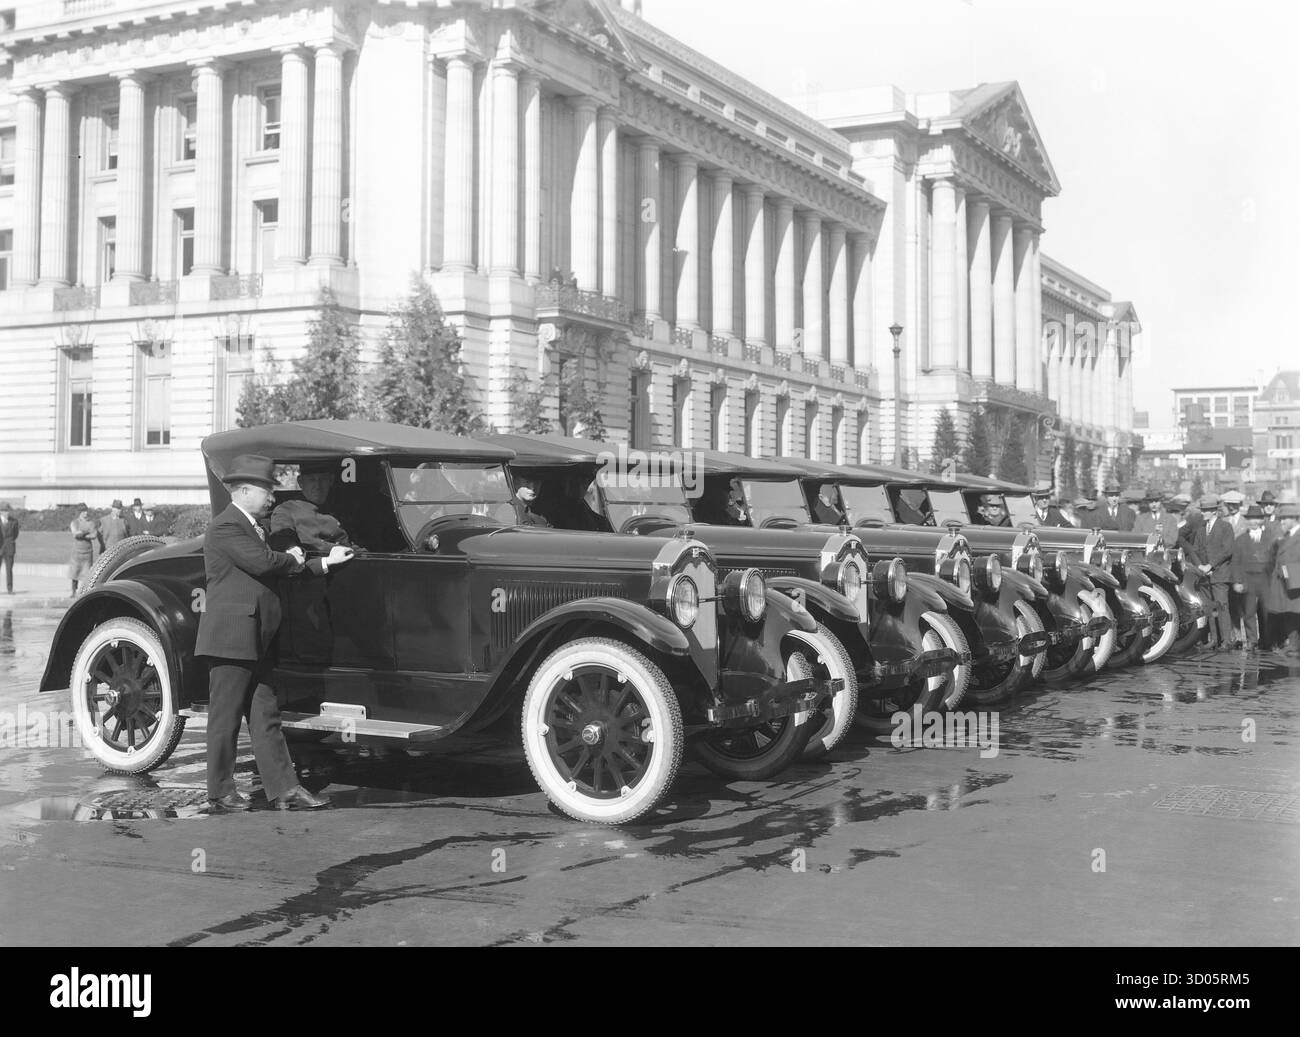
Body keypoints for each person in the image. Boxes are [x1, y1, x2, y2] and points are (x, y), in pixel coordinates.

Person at [197, 454, 354, 813]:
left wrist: (326, 561)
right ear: (244, 490)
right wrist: (295, 558)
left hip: (257, 638)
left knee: (265, 716)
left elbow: (279, 566)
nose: (272, 496)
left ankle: (284, 789)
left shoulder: (256, 528)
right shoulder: (226, 527)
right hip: (231, 638)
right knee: (225, 718)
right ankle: (219, 791)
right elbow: (264, 563)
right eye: (267, 489)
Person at [268, 461, 354, 553]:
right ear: (300, 482)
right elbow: (282, 542)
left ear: (331, 481)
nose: (318, 486)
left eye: (323, 479)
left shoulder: (338, 510)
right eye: (311, 480)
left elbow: (349, 543)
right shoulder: (286, 510)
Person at [1230, 504, 1275, 651]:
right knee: (1248, 611)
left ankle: (1268, 640)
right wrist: (1237, 581)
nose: (1254, 522)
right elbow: (1235, 562)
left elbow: (1275, 560)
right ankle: (1251, 641)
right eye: (1251, 519)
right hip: (1247, 579)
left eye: (1257, 518)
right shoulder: (1240, 539)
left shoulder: (1270, 537)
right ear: (1247, 521)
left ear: (1261, 520)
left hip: (1265, 579)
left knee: (1267, 610)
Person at [1199, 495, 1235, 649]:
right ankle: (1214, 639)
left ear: (1214, 511)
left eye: (1206, 510)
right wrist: (1200, 566)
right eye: (1203, 510)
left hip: (1220, 574)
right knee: (1210, 608)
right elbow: (1196, 550)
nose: (1203, 513)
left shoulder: (1225, 527)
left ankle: (1226, 641)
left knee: (1221, 607)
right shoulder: (1201, 529)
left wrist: (1210, 565)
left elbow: (1227, 550)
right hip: (1205, 576)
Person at [1269, 503, 1300, 652]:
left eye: (1285, 519)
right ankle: (1293, 645)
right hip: (1286, 581)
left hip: (1295, 580)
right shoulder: (1287, 536)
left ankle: (1294, 645)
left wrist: (1287, 572)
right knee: (1290, 613)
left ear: (1294, 518)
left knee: (1295, 612)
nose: (1282, 522)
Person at [68, 508, 100, 596]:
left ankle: (84, 591)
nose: (85, 513)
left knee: (87, 572)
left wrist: (83, 534)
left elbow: (94, 535)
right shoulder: (75, 522)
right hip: (77, 551)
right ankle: (73, 591)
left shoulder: (91, 523)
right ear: (79, 513)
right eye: (83, 511)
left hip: (88, 551)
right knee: (75, 572)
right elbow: (75, 534)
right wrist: (86, 532)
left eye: (86, 511)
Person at [0, 503, 18, 593]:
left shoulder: (14, 521)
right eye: (4, 511)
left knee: (9, 570)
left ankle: (9, 589)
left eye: (7, 511)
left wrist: (9, 543)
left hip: (10, 548)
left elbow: (15, 535)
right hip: (0, 548)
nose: (6, 513)